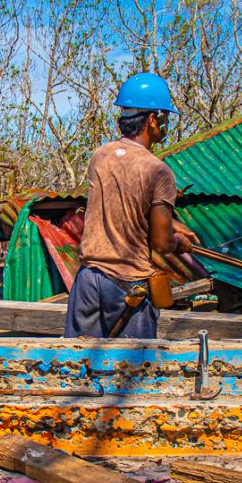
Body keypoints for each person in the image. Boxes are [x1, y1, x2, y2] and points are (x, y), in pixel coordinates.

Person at [65, 72, 198, 339]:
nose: (165, 124)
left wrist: (169, 222)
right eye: (164, 118)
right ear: (152, 119)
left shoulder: (100, 156)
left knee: (77, 367)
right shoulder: (158, 171)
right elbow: (161, 243)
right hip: (127, 285)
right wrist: (179, 243)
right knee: (134, 371)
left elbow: (120, 201)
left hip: (88, 281)